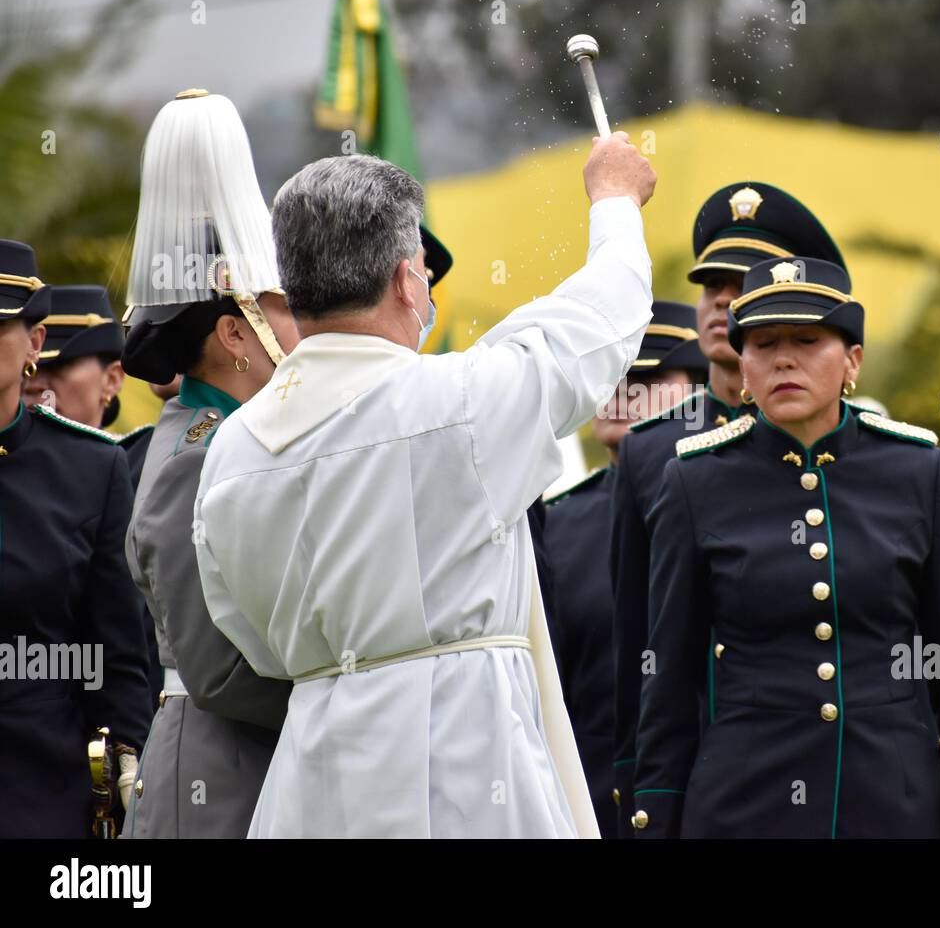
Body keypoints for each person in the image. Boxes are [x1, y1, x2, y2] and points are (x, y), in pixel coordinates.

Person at [193, 134, 656, 838]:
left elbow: (252, 642)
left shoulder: (230, 451)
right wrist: (615, 201)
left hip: (314, 771)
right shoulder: (462, 402)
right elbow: (599, 322)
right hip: (468, 767)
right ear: (409, 280)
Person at [632, 256, 940, 838]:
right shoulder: (694, 481)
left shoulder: (918, 472)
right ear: (743, 362)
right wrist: (655, 817)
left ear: (852, 360)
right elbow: (670, 682)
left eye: (807, 341)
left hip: (893, 803)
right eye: (762, 344)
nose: (783, 358)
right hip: (744, 807)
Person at [610, 183, 846, 833]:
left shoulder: (862, 453)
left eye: (741, 282)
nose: (720, 300)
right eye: (710, 284)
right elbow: (637, 648)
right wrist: (641, 793)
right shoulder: (649, 456)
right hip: (705, 784)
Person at [119, 89, 302, 839]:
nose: (300, 320)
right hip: (218, 778)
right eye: (282, 303)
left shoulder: (225, 429)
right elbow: (221, 673)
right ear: (236, 330)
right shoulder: (194, 454)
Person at [0, 238, 152, 837]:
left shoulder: (90, 468)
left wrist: (121, 780)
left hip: (45, 788)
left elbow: (117, 658)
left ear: (35, 341)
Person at [543, 300, 706, 836]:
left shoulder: (740, 507)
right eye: (611, 376)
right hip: (590, 812)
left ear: (700, 391)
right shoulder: (556, 522)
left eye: (650, 377)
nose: (624, 394)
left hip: (719, 804)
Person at [24, 285, 155, 486]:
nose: (32, 384)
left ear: (112, 380)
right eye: (27, 368)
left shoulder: (148, 463)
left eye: (59, 367)